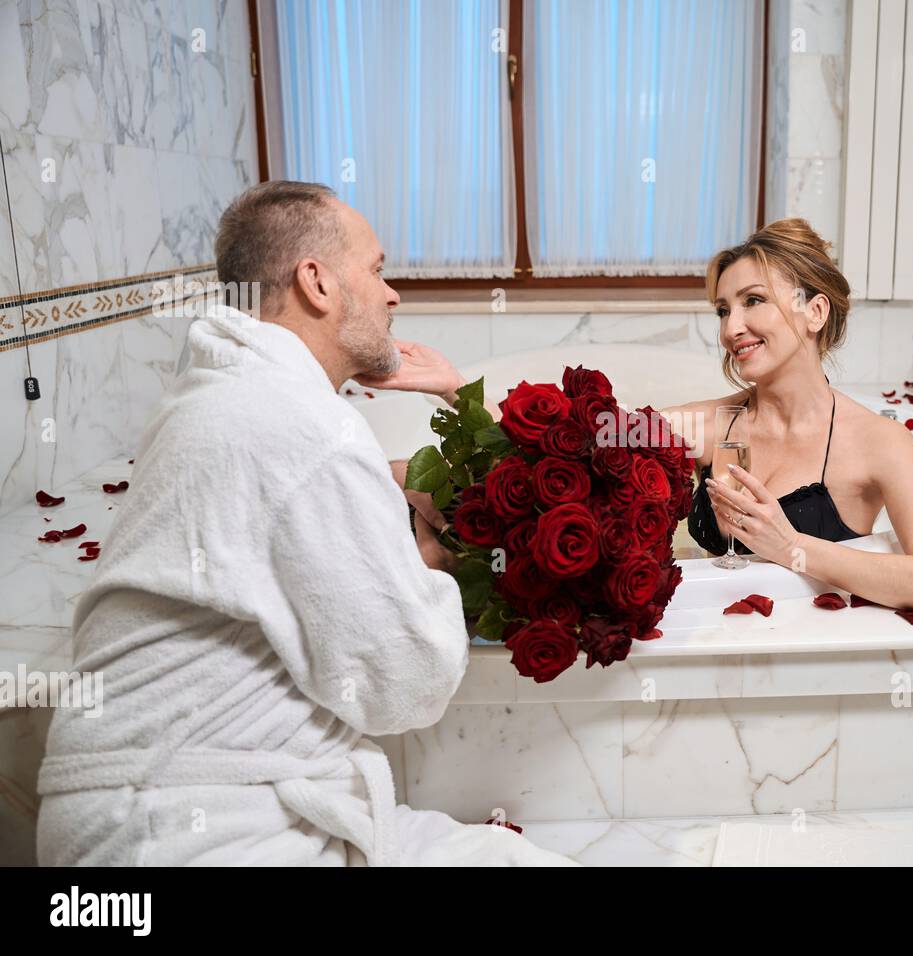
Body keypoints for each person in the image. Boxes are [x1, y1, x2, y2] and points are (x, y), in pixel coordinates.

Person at [36, 181, 575, 866]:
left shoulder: (220, 394)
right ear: (316, 282)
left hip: (151, 803)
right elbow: (407, 685)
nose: (392, 295)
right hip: (182, 835)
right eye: (377, 269)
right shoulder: (304, 425)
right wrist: (431, 557)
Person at [670, 219, 913, 619]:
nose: (730, 329)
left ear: (815, 311)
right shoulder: (708, 425)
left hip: (813, 659)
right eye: (723, 310)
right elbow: (597, 434)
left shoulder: (879, 443)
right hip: (715, 643)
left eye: (753, 301)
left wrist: (791, 547)